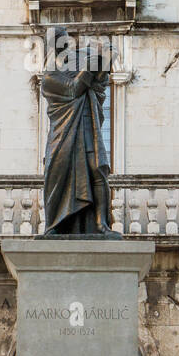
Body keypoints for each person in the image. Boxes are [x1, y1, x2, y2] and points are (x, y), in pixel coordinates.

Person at [40, 27, 120, 237]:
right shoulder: (49, 79)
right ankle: (55, 225)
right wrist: (95, 62)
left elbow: (99, 81)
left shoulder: (79, 65)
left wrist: (107, 56)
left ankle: (102, 224)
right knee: (59, 177)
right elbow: (75, 89)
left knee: (98, 171)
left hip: (88, 127)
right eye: (61, 42)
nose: (68, 45)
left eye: (67, 41)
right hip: (63, 138)